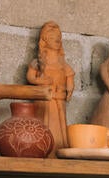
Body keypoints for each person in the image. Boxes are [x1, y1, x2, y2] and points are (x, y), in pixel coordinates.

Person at [26, 21, 74, 152]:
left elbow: (69, 75)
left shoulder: (62, 63)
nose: (57, 40)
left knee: (60, 126)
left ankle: (59, 147)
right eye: (53, 38)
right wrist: (40, 81)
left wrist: (70, 87)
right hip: (44, 101)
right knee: (43, 123)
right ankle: (42, 148)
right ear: (45, 40)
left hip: (59, 99)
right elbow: (30, 77)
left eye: (59, 37)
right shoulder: (39, 62)